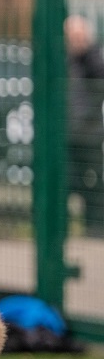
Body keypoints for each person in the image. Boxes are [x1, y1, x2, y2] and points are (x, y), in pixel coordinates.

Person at [66, 14, 104, 235]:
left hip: (90, 134)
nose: (76, 41)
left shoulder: (94, 59)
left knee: (94, 183)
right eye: (72, 37)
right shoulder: (65, 61)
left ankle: (96, 226)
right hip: (69, 134)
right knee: (70, 181)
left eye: (80, 36)